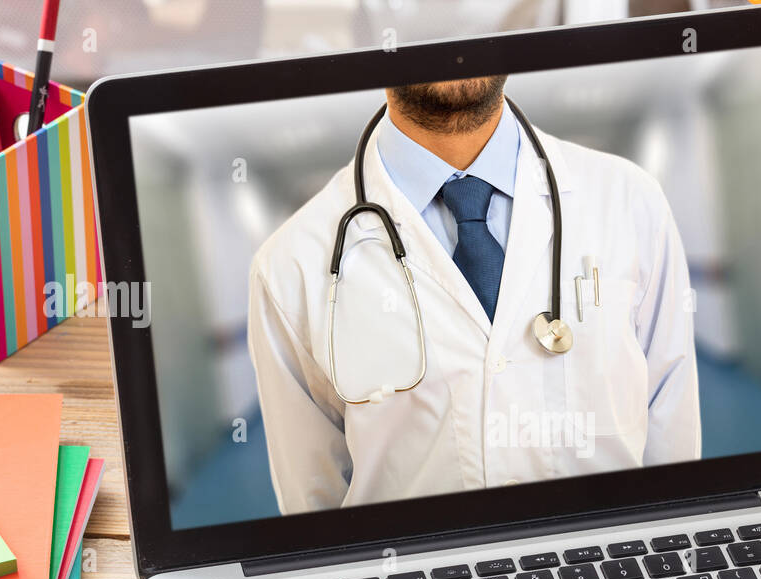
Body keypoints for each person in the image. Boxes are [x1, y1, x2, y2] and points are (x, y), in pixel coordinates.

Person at [248, 75, 700, 513]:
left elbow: (670, 428)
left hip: (616, 570)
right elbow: (314, 509)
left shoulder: (629, 199)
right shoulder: (290, 265)